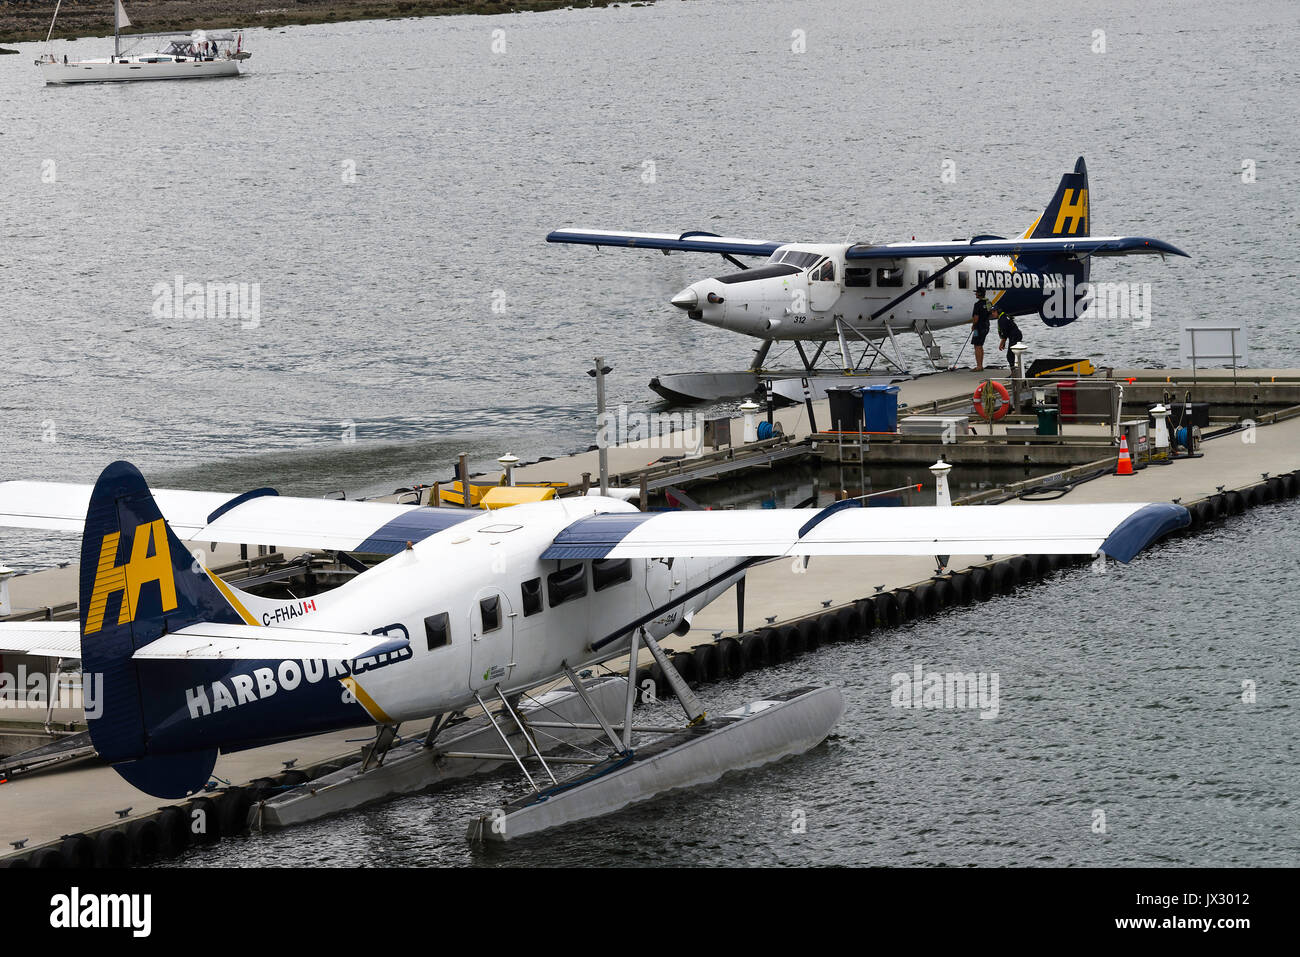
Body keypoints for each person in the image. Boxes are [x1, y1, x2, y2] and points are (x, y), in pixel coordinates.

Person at [970, 287, 992, 371]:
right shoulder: (988, 302)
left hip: (978, 328)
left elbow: (976, 317)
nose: (975, 294)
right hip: (986, 326)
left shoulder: (977, 304)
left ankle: (979, 366)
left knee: (977, 346)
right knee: (980, 345)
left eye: (976, 293)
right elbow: (990, 314)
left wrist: (973, 325)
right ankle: (980, 365)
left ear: (979, 294)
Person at [997, 306, 1024, 371]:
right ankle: (1017, 369)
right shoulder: (1005, 315)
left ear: (997, 312)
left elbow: (1004, 335)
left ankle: (1014, 372)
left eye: (993, 312)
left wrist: (1001, 344)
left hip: (1014, 336)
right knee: (1014, 354)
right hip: (1017, 335)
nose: (992, 314)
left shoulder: (1002, 320)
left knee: (1010, 356)